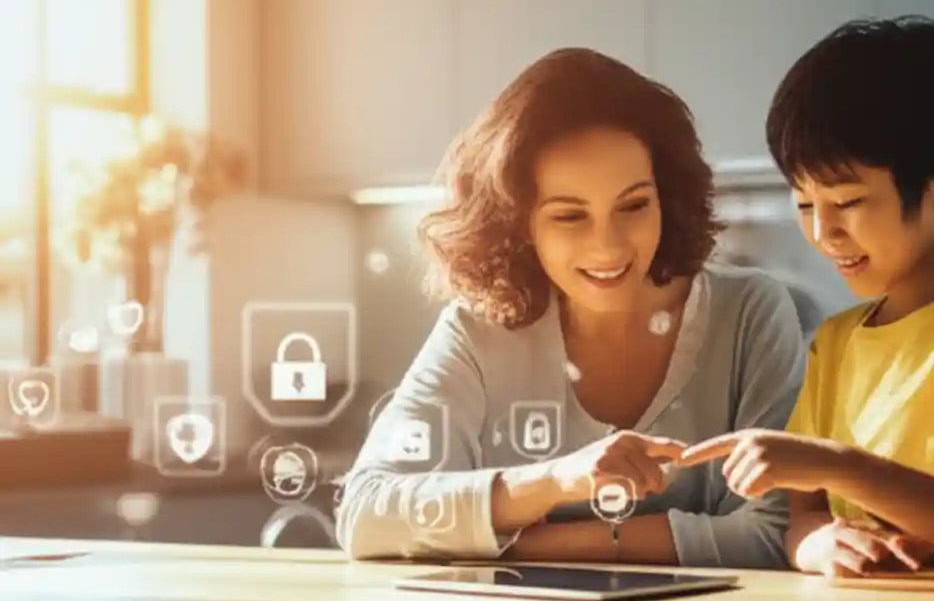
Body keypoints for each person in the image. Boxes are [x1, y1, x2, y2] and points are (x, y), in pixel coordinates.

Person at [337, 48, 804, 568]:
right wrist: (557, 479)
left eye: (633, 206)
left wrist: (520, 542)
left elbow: (772, 535)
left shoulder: (750, 315)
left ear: (666, 199)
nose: (608, 247)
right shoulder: (477, 333)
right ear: (520, 222)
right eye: (569, 217)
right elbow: (364, 514)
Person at [680, 17, 934, 579]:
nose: (823, 232)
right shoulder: (837, 345)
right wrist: (820, 545)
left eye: (847, 201)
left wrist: (839, 466)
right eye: (803, 203)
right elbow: (805, 519)